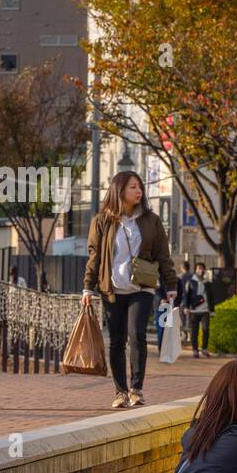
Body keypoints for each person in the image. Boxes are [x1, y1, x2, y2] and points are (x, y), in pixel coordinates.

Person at [82, 171, 178, 409]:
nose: (139, 191)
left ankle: (136, 389)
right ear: (120, 190)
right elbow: (94, 256)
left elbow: (163, 255)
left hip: (141, 288)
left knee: (137, 335)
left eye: (140, 187)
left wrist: (171, 284)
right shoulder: (102, 220)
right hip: (112, 289)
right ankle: (120, 392)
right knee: (116, 340)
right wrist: (87, 287)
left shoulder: (150, 220)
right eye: (133, 187)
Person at [183, 261, 212, 358]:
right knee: (194, 332)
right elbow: (186, 296)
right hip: (194, 311)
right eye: (198, 268)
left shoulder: (207, 282)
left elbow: (211, 296)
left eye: (202, 268)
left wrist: (212, 310)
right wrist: (186, 307)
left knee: (205, 329)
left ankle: (204, 349)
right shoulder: (190, 282)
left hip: (205, 310)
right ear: (195, 270)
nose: (200, 270)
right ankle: (195, 350)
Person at [177, 261, 195, 344]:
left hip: (182, 300)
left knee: (182, 319)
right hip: (191, 301)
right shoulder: (193, 276)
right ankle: (190, 336)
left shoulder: (180, 277)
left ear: (182, 268)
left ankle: (184, 336)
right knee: (190, 318)